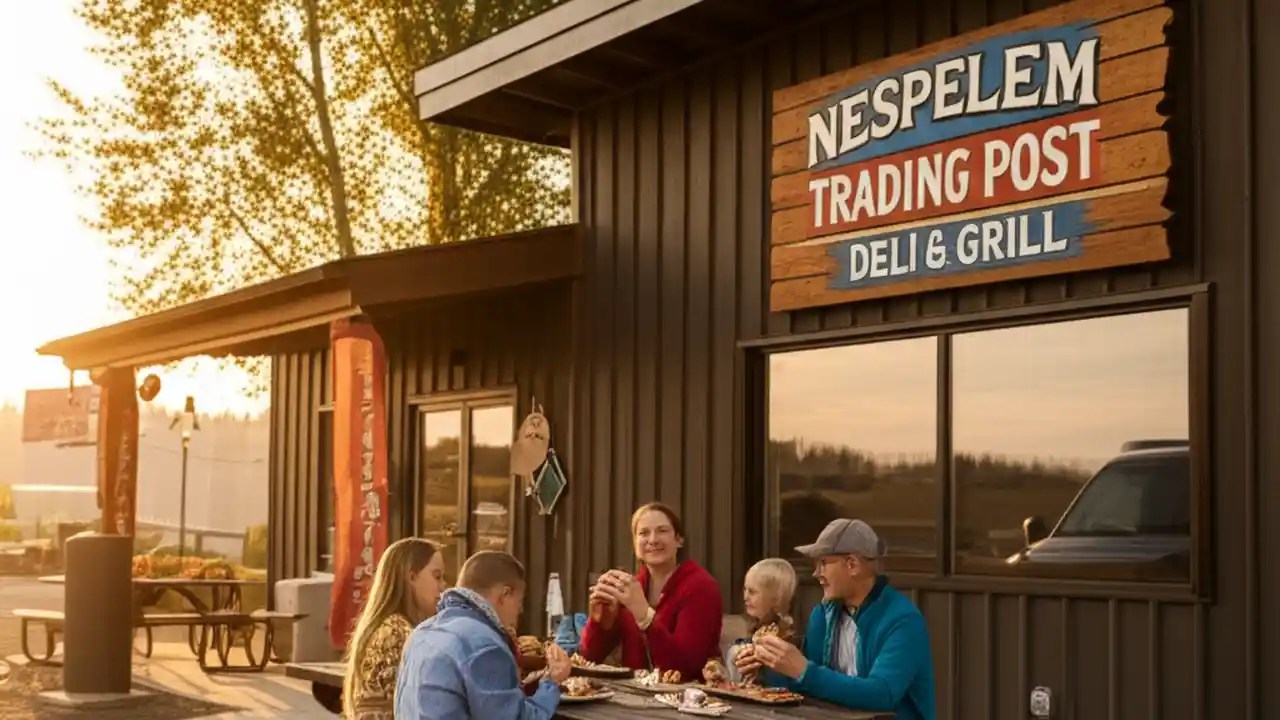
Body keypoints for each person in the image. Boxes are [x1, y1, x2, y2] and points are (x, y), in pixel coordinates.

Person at [736, 519, 936, 720]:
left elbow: (882, 694)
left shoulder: (902, 620)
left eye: (823, 563)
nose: (816, 574)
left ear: (852, 565)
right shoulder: (822, 615)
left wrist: (803, 669)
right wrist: (768, 668)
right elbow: (806, 687)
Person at [395, 550, 572, 719]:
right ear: (505, 594)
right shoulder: (485, 645)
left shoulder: (421, 633)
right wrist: (552, 680)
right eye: (519, 602)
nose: (520, 610)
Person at [579, 502, 723, 681]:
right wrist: (601, 621)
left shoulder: (701, 586)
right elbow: (589, 658)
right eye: (643, 533)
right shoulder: (632, 585)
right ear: (635, 543)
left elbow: (683, 668)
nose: (653, 540)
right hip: (634, 698)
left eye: (662, 531)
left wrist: (645, 616)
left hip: (690, 701)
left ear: (679, 540)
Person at [342, 537, 446, 719]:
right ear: (412, 577)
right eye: (437, 576)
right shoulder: (396, 631)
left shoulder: (386, 626)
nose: (443, 586)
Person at [724, 557, 798, 684]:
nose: (745, 597)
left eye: (752, 592)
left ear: (776, 598)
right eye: (745, 590)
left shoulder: (788, 638)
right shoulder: (755, 628)